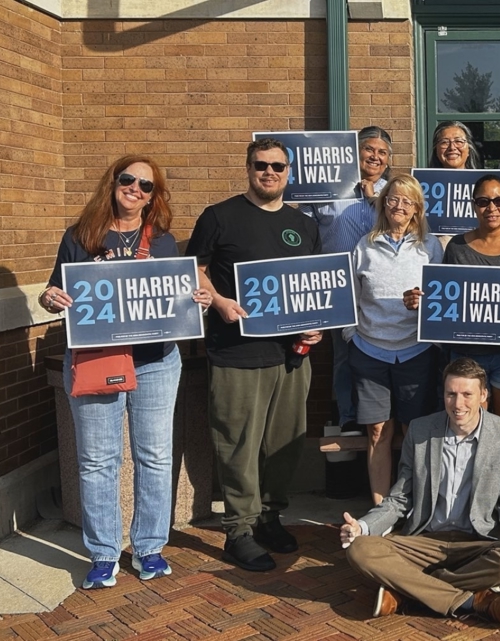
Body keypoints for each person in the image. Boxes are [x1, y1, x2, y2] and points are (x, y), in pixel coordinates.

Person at [41, 155, 212, 589]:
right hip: (96, 358)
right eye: (128, 179)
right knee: (97, 460)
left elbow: (176, 297)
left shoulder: (164, 243)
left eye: (146, 185)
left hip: (156, 361)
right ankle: (103, 553)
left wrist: (197, 301)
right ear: (113, 183)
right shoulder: (80, 236)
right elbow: (54, 289)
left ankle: (149, 547)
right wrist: (49, 299)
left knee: (154, 456)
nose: (135, 188)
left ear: (154, 196)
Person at [187, 139, 323, 572]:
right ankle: (239, 530)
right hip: (237, 351)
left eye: (278, 166)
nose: (269, 172)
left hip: (291, 355)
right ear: (248, 168)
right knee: (239, 444)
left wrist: (316, 323)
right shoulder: (219, 217)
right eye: (261, 165)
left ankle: (269, 516)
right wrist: (220, 302)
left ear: (288, 172)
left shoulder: (303, 225)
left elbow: (314, 284)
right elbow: (194, 271)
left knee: (284, 442)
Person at [340, 358, 500, 627]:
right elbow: (399, 499)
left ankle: (407, 590)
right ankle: (472, 601)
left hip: (477, 542)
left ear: (483, 395)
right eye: (451, 394)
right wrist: (362, 527)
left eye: (467, 394)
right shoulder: (421, 430)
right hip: (426, 539)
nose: (458, 404)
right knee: (360, 549)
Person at [404, 175, 500, 426]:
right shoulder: (457, 246)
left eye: (499, 201)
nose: (492, 208)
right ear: (473, 205)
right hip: (466, 355)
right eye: (483, 201)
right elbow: (445, 297)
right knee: (467, 428)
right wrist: (420, 302)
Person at [348, 174, 445, 507]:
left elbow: (443, 300)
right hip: (370, 350)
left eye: (407, 201)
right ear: (382, 203)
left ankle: (412, 503)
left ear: (417, 208)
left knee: (413, 431)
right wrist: (351, 336)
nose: (398, 206)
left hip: (415, 351)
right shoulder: (364, 246)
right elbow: (350, 298)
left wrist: (424, 306)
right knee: (377, 432)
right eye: (392, 199)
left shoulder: (431, 247)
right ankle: (380, 509)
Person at [302, 126, 394, 431]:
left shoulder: (393, 193)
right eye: (369, 149)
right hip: (338, 285)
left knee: (383, 350)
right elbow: (304, 233)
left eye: (382, 152)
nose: (375, 156)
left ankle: (384, 418)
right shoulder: (325, 188)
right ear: (354, 152)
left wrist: (373, 199)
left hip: (382, 285)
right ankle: (349, 417)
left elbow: (405, 229)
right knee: (343, 354)